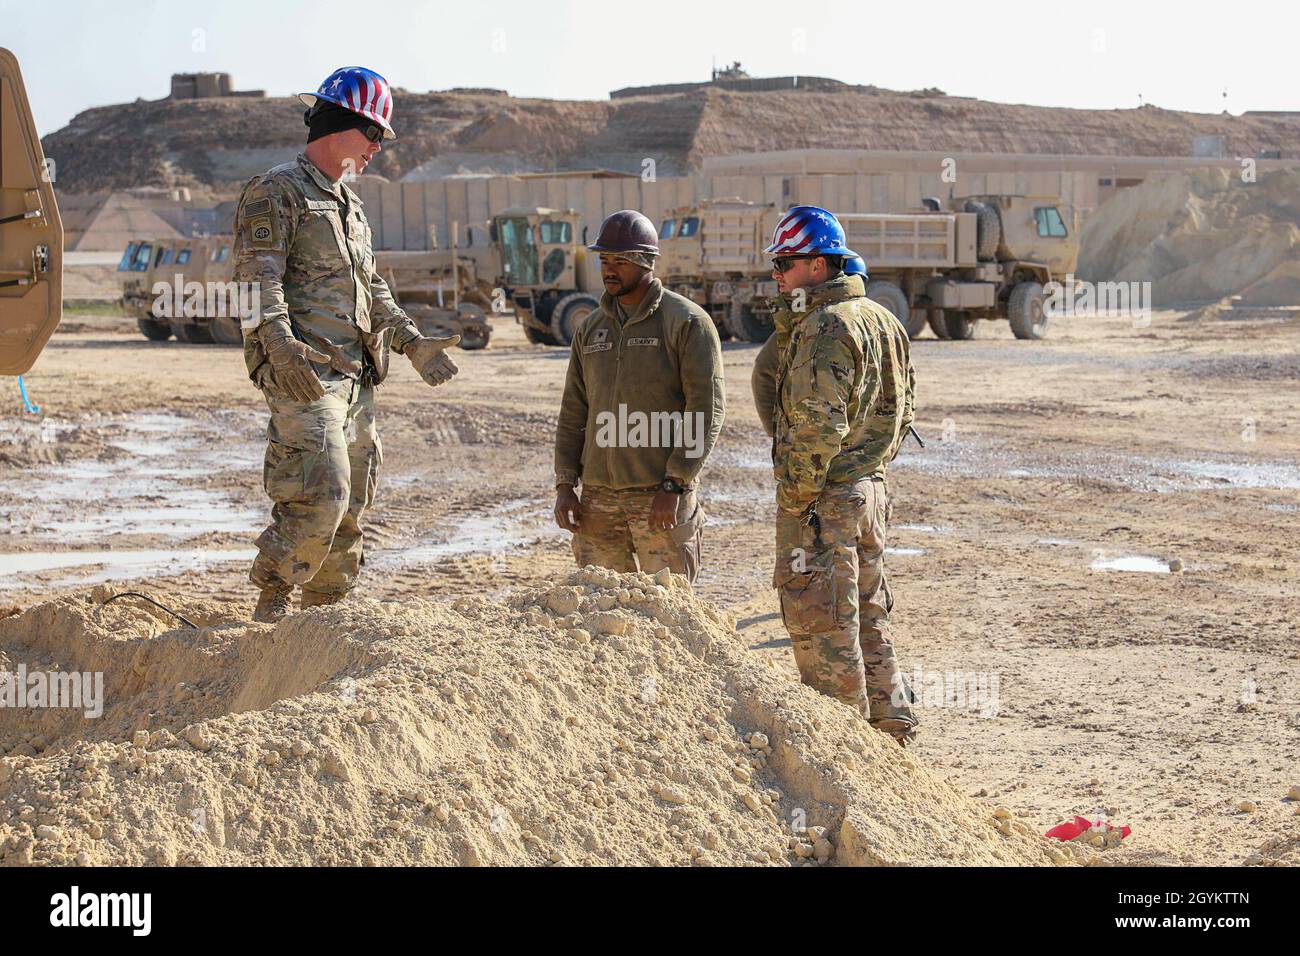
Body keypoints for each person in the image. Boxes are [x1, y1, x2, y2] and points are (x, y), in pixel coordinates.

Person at [234, 66, 461, 623]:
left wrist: (410, 340)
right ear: (342, 124)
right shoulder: (277, 190)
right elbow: (254, 279)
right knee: (321, 491)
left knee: (354, 500)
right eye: (375, 134)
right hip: (303, 372)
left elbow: (370, 286)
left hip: (355, 374)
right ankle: (272, 602)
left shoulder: (350, 206)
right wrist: (279, 344)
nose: (379, 147)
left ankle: (323, 620)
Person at [764, 208, 918, 744]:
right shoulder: (881, 319)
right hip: (869, 490)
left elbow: (815, 430)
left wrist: (795, 497)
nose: (777, 274)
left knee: (824, 625)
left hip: (827, 498)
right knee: (870, 614)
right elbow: (905, 411)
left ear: (817, 264)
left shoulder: (826, 327)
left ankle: (845, 751)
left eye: (785, 262)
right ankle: (891, 727)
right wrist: (867, 469)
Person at [553, 210, 725, 582]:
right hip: (598, 501)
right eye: (605, 260)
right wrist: (566, 485)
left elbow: (705, 410)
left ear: (646, 262)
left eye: (621, 261)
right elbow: (573, 412)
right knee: (602, 610)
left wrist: (675, 482)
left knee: (669, 609)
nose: (609, 270)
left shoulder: (687, 323)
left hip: (659, 497)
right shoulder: (590, 329)